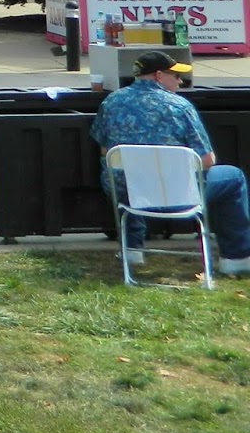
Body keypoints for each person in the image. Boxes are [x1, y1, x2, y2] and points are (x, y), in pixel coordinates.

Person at [90, 51, 250, 275]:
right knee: (233, 177)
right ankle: (237, 258)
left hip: (127, 193)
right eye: (175, 75)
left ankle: (132, 249)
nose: (180, 81)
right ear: (158, 75)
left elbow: (105, 151)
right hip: (176, 196)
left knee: (128, 174)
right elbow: (206, 160)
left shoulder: (112, 101)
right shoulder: (180, 107)